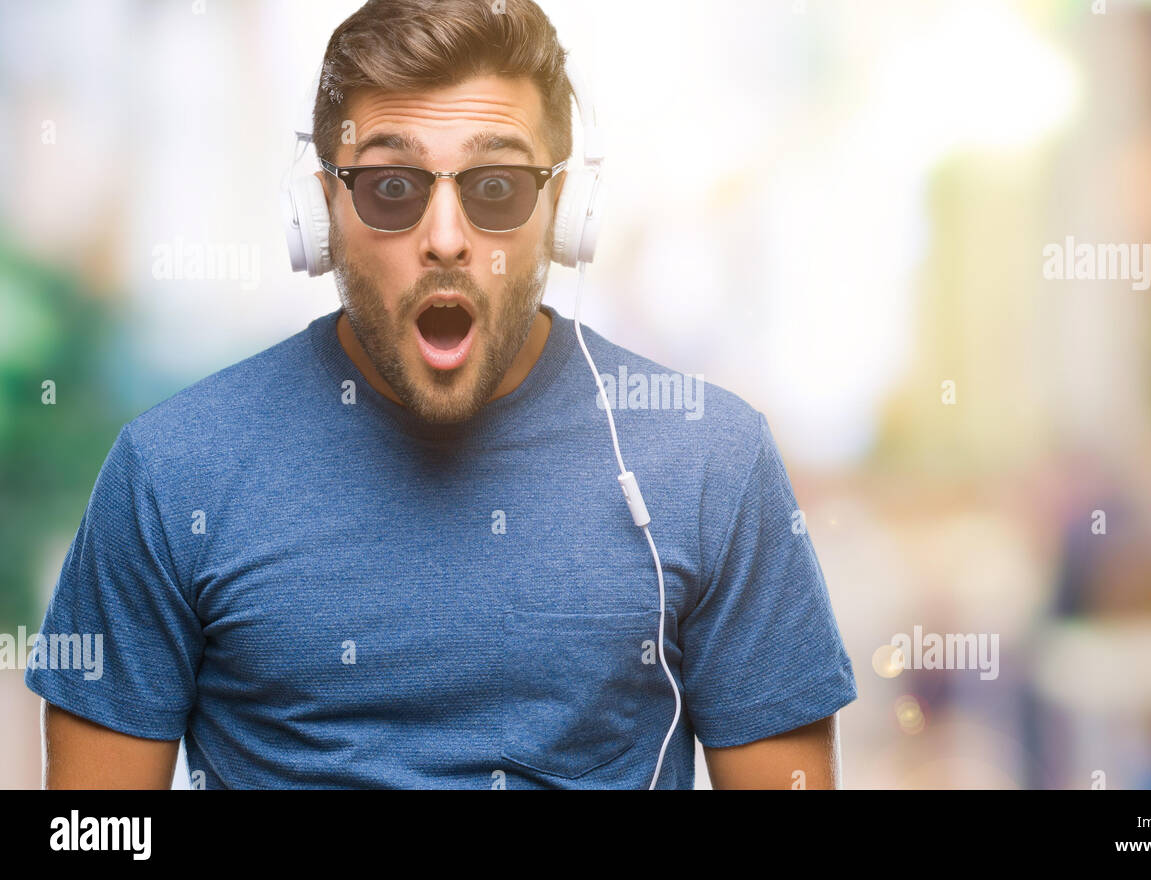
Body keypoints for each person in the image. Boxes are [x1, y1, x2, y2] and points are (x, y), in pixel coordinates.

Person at [26, 0, 856, 789]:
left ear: (564, 212)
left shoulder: (711, 461)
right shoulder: (172, 474)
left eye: (497, 188)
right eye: (393, 188)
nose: (448, 240)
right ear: (321, 214)